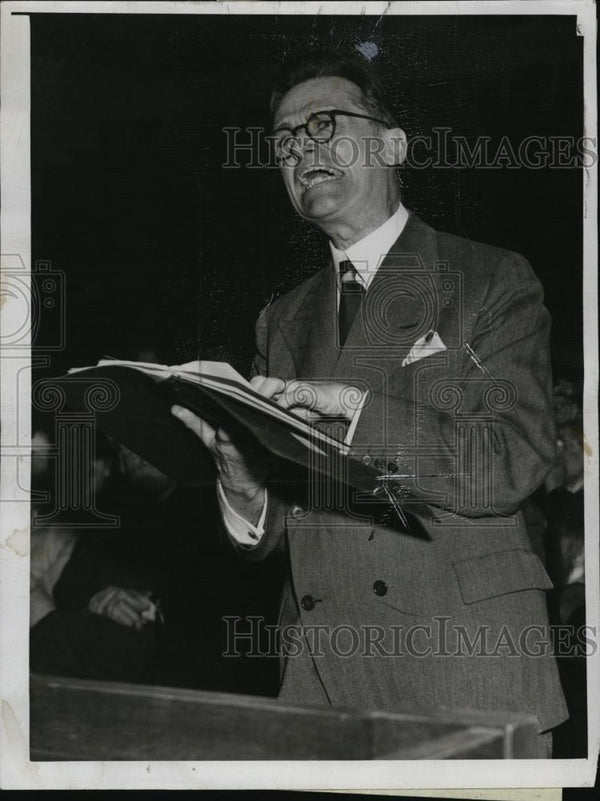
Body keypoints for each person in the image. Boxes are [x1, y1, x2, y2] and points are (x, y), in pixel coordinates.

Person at [172, 50, 568, 756]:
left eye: (325, 124)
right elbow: (283, 528)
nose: (303, 148)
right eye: (285, 139)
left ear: (393, 144)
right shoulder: (281, 320)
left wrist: (355, 406)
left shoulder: (489, 276)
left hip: (465, 670)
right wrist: (243, 483)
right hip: (319, 685)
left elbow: (510, 462)